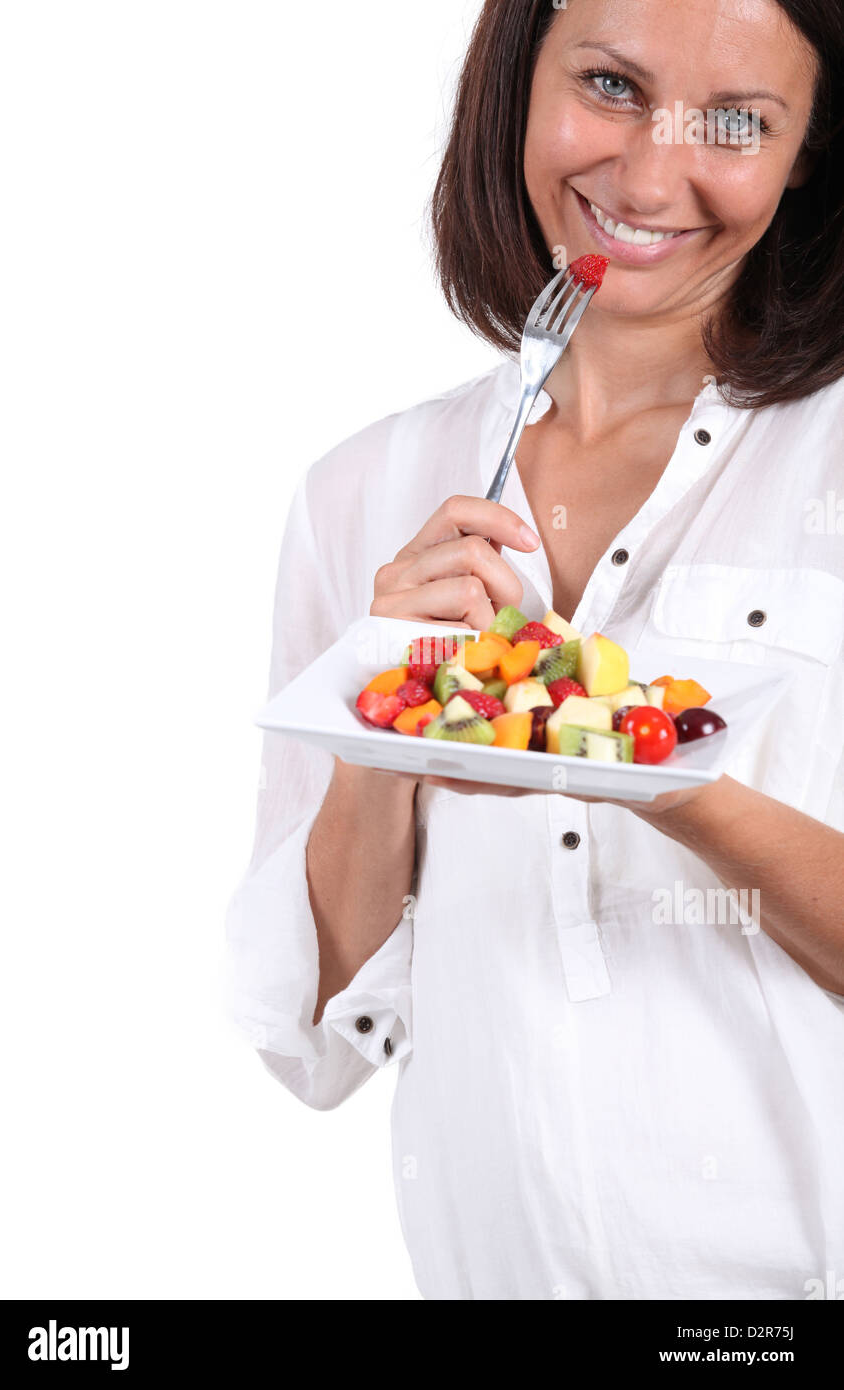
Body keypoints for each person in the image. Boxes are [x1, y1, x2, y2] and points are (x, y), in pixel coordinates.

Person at [226, 0, 844, 1300]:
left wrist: (663, 776)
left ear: (809, 150)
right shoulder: (360, 493)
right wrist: (376, 730)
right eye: (611, 84)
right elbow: (324, 1038)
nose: (643, 176)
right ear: (518, 76)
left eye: (734, 120)